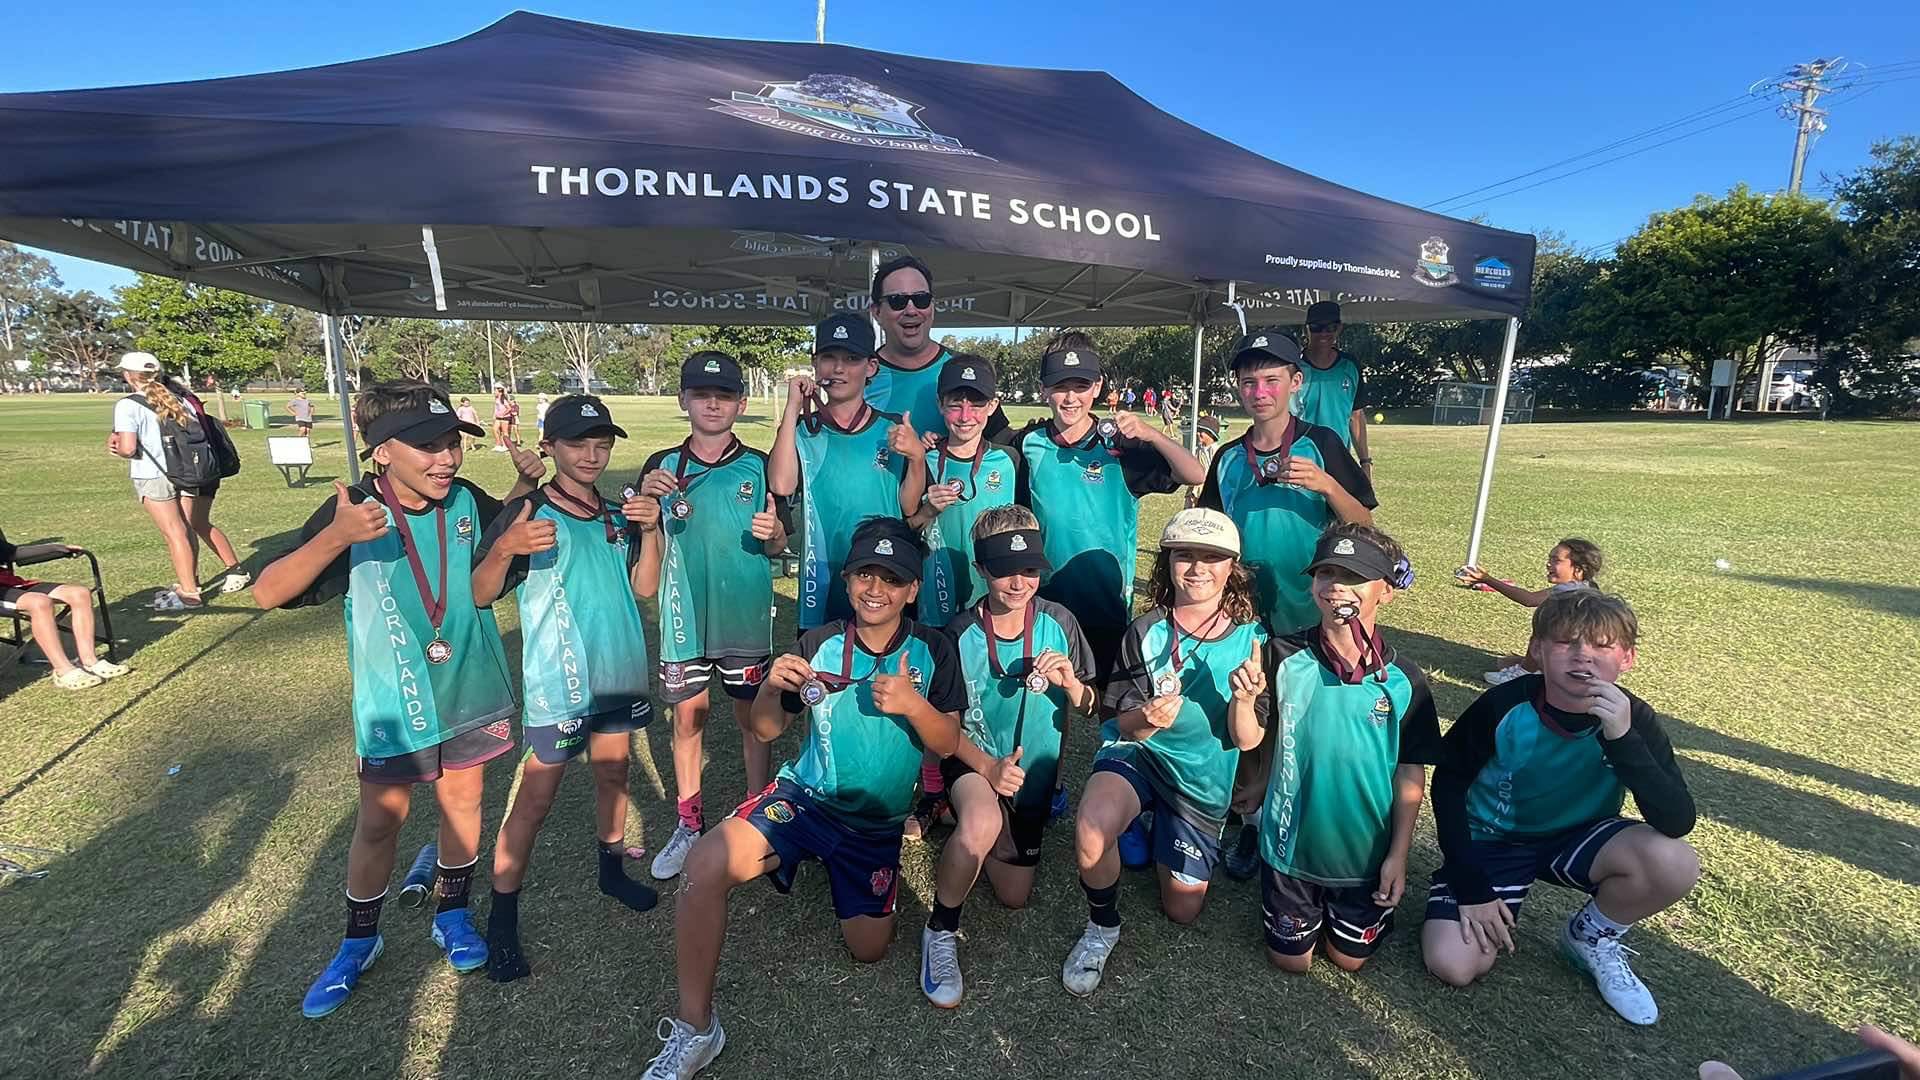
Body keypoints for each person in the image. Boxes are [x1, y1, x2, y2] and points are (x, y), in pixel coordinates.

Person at [252, 380, 542, 1020]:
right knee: (381, 821)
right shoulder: (351, 509)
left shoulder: (463, 498)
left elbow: (495, 546)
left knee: (463, 805)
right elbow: (267, 593)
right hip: (395, 702)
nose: (445, 460)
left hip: (469, 683)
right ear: (380, 451)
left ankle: (453, 913)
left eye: (450, 444)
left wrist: (524, 489)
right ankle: (359, 940)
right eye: (425, 448)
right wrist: (336, 537)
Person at [641, 517, 963, 1080]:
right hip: (805, 799)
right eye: (866, 573)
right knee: (705, 864)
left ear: (913, 589)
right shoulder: (819, 643)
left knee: (869, 948)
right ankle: (697, 1029)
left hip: (875, 824)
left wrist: (914, 706)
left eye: (893, 578)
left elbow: (948, 742)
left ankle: (828, 867)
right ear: (846, 578)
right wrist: (769, 686)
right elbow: (765, 730)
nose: (876, 588)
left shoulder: (934, 648)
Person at [1422, 589, 1700, 1027]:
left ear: (1627, 658)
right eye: (1566, 642)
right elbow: (1450, 783)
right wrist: (1470, 881)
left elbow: (1676, 820)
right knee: (1454, 964)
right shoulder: (1504, 705)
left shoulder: (1635, 719)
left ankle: (1591, 936)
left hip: (1579, 837)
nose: (1582, 657)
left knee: (1674, 861)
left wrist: (1623, 739)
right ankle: (1474, 895)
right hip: (1494, 841)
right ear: (1537, 650)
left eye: (1601, 645)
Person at [471, 394, 661, 982]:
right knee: (536, 797)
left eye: (602, 444)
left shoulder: (616, 511)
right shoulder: (528, 511)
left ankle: (610, 868)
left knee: (614, 772)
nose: (592, 454)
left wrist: (652, 532)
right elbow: (479, 594)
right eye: (578, 443)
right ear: (549, 447)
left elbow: (646, 587)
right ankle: (502, 919)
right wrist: (505, 546)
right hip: (560, 682)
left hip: (619, 670)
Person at [1062, 509, 1269, 997]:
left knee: (1182, 909)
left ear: (1231, 567)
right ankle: (1102, 928)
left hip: (1200, 781)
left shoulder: (1253, 640)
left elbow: (1248, 741)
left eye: (1211, 558)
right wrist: (1148, 719)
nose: (1197, 568)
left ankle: (1149, 825)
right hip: (1140, 756)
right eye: (1184, 556)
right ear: (1168, 563)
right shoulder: (1145, 629)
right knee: (1092, 826)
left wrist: (1242, 701)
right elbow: (1119, 724)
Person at [1197, 330, 1377, 879]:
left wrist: (1327, 485)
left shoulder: (1320, 442)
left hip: (1310, 616)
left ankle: (1297, 816)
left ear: (1296, 383)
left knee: (1303, 720)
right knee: (1249, 715)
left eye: (1272, 379)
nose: (1260, 391)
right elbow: (1211, 531)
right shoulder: (1229, 455)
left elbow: (1364, 524)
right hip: (1244, 616)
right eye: (1249, 381)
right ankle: (1248, 820)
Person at [921, 506, 1096, 1007]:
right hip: (974, 761)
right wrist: (986, 769)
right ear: (980, 570)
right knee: (978, 824)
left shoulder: (1061, 621)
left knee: (1014, 895)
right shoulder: (956, 634)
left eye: (1030, 569)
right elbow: (945, 736)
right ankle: (939, 929)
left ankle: (991, 824)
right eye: (1003, 570)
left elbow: (1090, 708)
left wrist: (1072, 684)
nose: (1018, 582)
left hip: (1032, 782)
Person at [631, 351, 789, 881]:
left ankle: (756, 814)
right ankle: (688, 822)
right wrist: (648, 510)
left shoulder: (760, 463)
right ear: (684, 402)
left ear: (741, 403)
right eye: (702, 395)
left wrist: (776, 536)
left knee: (752, 720)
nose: (713, 404)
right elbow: (645, 543)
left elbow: (778, 544)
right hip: (684, 619)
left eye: (724, 396)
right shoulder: (661, 466)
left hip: (743, 618)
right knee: (687, 720)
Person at [1258, 525, 1440, 973]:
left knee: (1348, 961)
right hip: (1291, 848)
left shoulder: (1406, 680)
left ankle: (1355, 912)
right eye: (1326, 573)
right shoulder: (1280, 654)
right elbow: (1258, 737)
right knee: (1291, 963)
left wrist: (1397, 855)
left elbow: (1409, 773)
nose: (1337, 585)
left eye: (1354, 575)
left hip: (1366, 855)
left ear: (1387, 591)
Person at [1012, 336, 1204, 687]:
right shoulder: (1028, 443)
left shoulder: (1120, 446)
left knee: (1108, 705)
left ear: (1097, 387)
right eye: (1060, 387)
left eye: (1081, 386)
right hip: (1046, 600)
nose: (1070, 398)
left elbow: (1194, 473)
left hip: (1106, 600)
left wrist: (1152, 435)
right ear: (1043, 390)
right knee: (1051, 697)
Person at [769, 313, 927, 633]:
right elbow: (781, 484)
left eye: (851, 359)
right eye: (829, 357)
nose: (839, 368)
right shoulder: (804, 430)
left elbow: (910, 508)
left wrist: (917, 457)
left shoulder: (893, 428)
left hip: (883, 578)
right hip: (824, 576)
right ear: (815, 364)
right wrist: (791, 408)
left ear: (870, 367)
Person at [108, 352, 245, 610]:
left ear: (127, 375)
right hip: (184, 474)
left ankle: (189, 593)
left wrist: (119, 448)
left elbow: (127, 448)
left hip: (153, 474)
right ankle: (189, 583)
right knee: (185, 529)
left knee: (175, 533)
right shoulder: (181, 399)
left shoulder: (127, 405)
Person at [907, 355, 1021, 628]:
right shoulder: (923, 459)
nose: (966, 416)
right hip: (934, 601)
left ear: (993, 406)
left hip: (995, 602)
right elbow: (907, 528)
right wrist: (927, 511)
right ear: (940, 405)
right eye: (955, 406)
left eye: (977, 405)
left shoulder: (1011, 461)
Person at [863, 254, 1008, 442]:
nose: (911, 310)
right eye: (897, 301)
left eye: (921, 299)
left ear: (932, 306)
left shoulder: (964, 369)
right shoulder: (859, 375)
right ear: (876, 312)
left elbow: (1001, 444)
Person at [0, 527, 129, 689]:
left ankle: (89, 661)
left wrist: (58, 548)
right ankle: (63, 670)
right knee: (40, 603)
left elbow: (12, 553)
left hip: (9, 583)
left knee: (79, 594)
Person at [1463, 538, 1604, 685]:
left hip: (1570, 655)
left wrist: (1487, 579)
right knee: (1507, 661)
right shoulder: (1588, 587)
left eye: (1556, 560)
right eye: (1549, 558)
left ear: (1578, 570)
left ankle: (1525, 672)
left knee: (1547, 622)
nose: (1548, 563)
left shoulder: (1568, 590)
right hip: (1585, 661)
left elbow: (1529, 599)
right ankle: (1537, 668)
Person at [1296, 301, 1373, 476]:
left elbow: (1356, 416)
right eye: (1316, 327)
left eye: (1330, 327)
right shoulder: (1294, 368)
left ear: (1339, 329)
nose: (1323, 333)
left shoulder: (1350, 366)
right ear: (1306, 329)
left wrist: (1365, 463)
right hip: (1301, 459)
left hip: (1339, 460)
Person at [1185, 415, 1221, 507]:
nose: (1198, 434)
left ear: (1211, 434)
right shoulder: (1198, 450)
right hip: (1195, 488)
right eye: (1197, 431)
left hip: (1207, 489)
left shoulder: (1215, 450)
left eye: (1201, 431)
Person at [491, 385, 513, 451]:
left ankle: (505, 445)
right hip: (498, 417)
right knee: (494, 429)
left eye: (496, 391)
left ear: (500, 392)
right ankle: (498, 444)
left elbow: (509, 408)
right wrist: (494, 414)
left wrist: (503, 414)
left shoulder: (503, 400)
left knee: (504, 432)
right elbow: (496, 408)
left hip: (505, 417)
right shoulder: (496, 399)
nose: (494, 392)